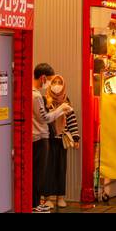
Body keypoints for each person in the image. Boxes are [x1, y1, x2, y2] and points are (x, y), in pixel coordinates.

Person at [31, 64, 72, 212]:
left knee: (39, 172)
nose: (49, 84)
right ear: (43, 78)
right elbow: (45, 118)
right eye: (49, 80)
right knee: (38, 173)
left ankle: (35, 203)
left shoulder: (34, 94)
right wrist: (61, 109)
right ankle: (34, 204)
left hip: (38, 137)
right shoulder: (36, 96)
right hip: (39, 138)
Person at [42, 74, 80, 209]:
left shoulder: (66, 101)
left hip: (61, 141)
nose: (57, 85)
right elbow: (42, 119)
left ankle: (60, 197)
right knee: (47, 170)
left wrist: (75, 137)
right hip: (47, 140)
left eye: (59, 82)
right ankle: (47, 198)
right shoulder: (45, 101)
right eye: (54, 82)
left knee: (61, 169)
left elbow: (71, 120)